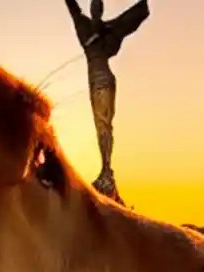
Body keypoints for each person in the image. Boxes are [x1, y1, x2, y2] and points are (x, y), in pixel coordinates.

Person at [65, 0, 150, 203]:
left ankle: (106, 171)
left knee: (104, 125)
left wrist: (102, 31)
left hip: (102, 81)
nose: (96, 9)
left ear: (101, 10)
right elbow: (73, 8)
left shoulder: (107, 32)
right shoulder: (85, 27)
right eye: (94, 6)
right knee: (101, 125)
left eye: (99, 7)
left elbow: (133, 18)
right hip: (97, 80)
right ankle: (105, 171)